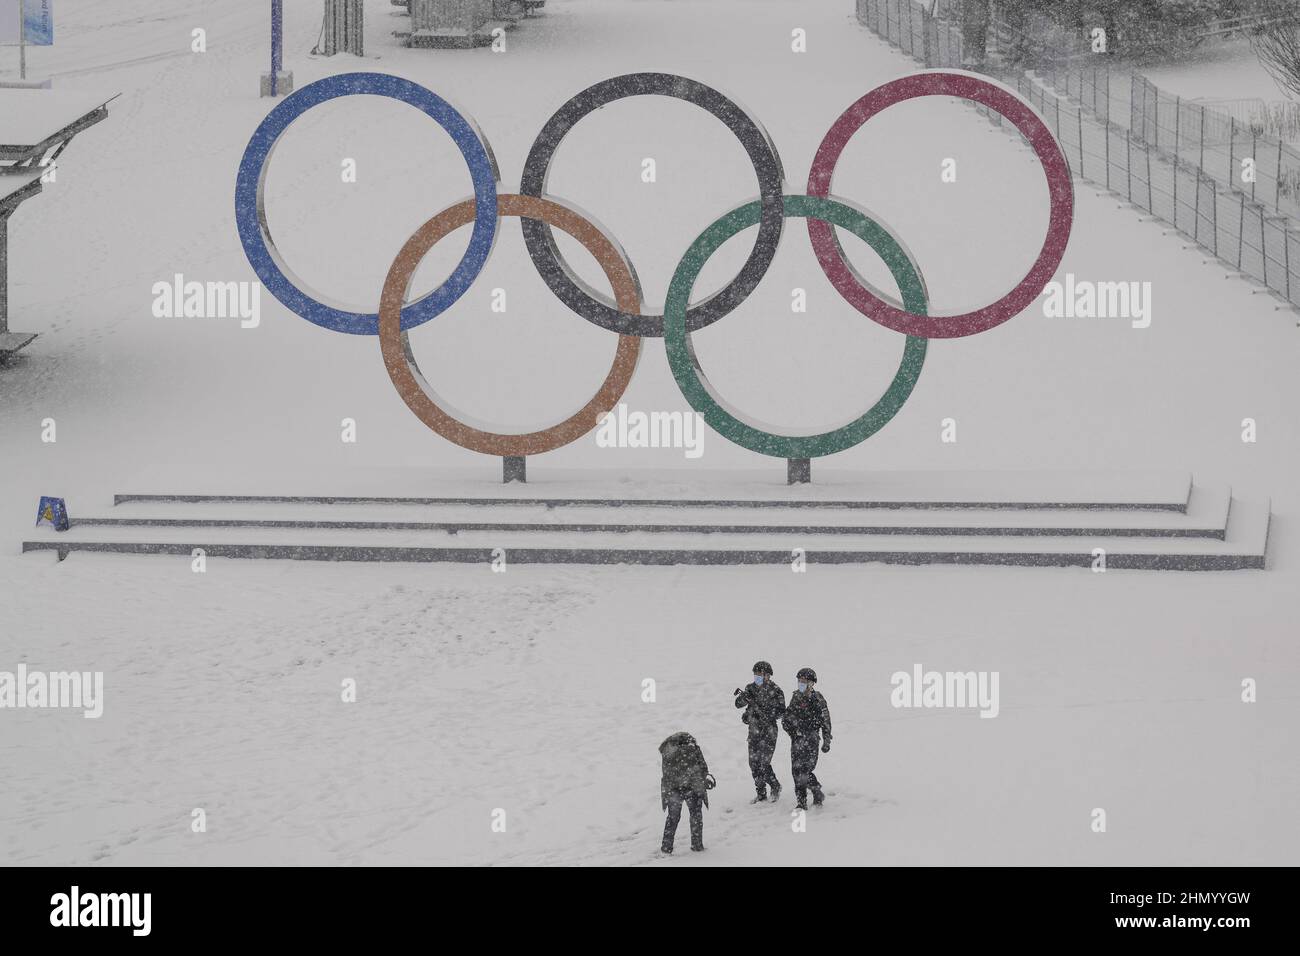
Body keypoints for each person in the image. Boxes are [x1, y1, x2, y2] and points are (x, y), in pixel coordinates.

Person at [733, 660, 786, 803]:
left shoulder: (776, 690)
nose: (757, 676)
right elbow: (738, 704)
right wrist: (745, 701)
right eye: (755, 673)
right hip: (754, 730)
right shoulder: (750, 688)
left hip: (769, 731)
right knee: (754, 763)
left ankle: (775, 786)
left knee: (764, 763)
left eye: (760, 674)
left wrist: (767, 711)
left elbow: (782, 711)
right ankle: (761, 793)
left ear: (768, 675)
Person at [781, 667, 832, 810]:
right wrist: (791, 730)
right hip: (797, 740)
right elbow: (787, 718)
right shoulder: (796, 696)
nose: (801, 683)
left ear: (811, 683)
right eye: (799, 680)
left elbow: (826, 721)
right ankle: (801, 802)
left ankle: (816, 791)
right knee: (796, 771)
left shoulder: (818, 699)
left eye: (804, 681)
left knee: (805, 770)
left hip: (811, 739)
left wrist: (826, 741)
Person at [659, 731, 713, 854]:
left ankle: (666, 847)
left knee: (672, 818)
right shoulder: (693, 748)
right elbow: (703, 767)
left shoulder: (667, 752)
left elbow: (666, 773)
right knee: (695, 815)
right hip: (692, 787)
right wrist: (702, 778)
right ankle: (697, 844)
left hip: (672, 789)